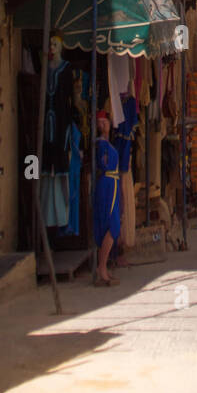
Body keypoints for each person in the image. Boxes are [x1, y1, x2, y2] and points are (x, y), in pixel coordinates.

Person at [93, 113, 121, 285]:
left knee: (113, 224)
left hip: (114, 183)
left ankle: (103, 267)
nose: (103, 125)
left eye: (105, 122)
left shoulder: (108, 144)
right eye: (100, 123)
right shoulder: (101, 144)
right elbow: (102, 163)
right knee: (112, 225)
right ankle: (101, 267)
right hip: (107, 184)